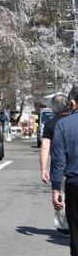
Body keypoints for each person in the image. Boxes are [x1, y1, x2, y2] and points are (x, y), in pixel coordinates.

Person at [49, 86, 78, 256]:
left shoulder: (63, 124)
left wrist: (55, 188)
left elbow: (58, 160)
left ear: (73, 103)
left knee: (75, 233)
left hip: (74, 183)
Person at [42, 94, 71, 235]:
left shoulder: (51, 124)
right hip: (74, 164)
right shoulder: (73, 121)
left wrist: (44, 168)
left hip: (58, 166)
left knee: (61, 194)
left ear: (53, 107)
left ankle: (63, 225)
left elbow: (45, 147)